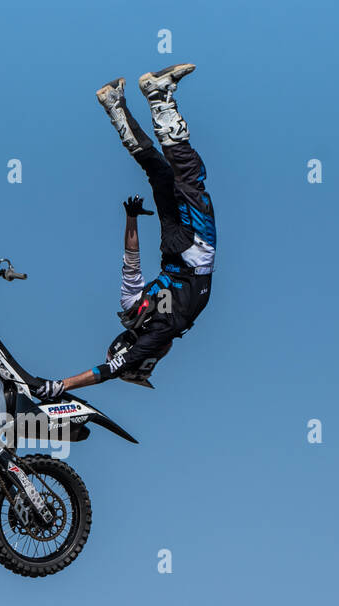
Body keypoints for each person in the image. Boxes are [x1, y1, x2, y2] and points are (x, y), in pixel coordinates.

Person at [36, 63, 215, 397]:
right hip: (171, 248)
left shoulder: (158, 334)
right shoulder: (133, 306)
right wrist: (131, 218)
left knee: (189, 176)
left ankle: (158, 95)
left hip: (194, 250)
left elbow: (107, 371)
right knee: (160, 175)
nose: (158, 359)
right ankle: (114, 106)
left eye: (151, 363)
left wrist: (61, 385)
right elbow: (131, 258)